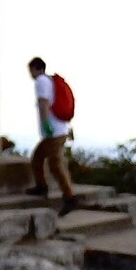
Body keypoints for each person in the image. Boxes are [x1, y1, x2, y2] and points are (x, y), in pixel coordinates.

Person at [24, 57, 79, 216]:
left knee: (55, 165)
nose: (31, 74)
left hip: (54, 132)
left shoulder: (41, 81)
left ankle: (69, 196)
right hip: (60, 130)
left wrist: (45, 123)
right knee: (38, 158)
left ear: (35, 69)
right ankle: (42, 187)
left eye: (31, 70)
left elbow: (43, 103)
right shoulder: (49, 80)